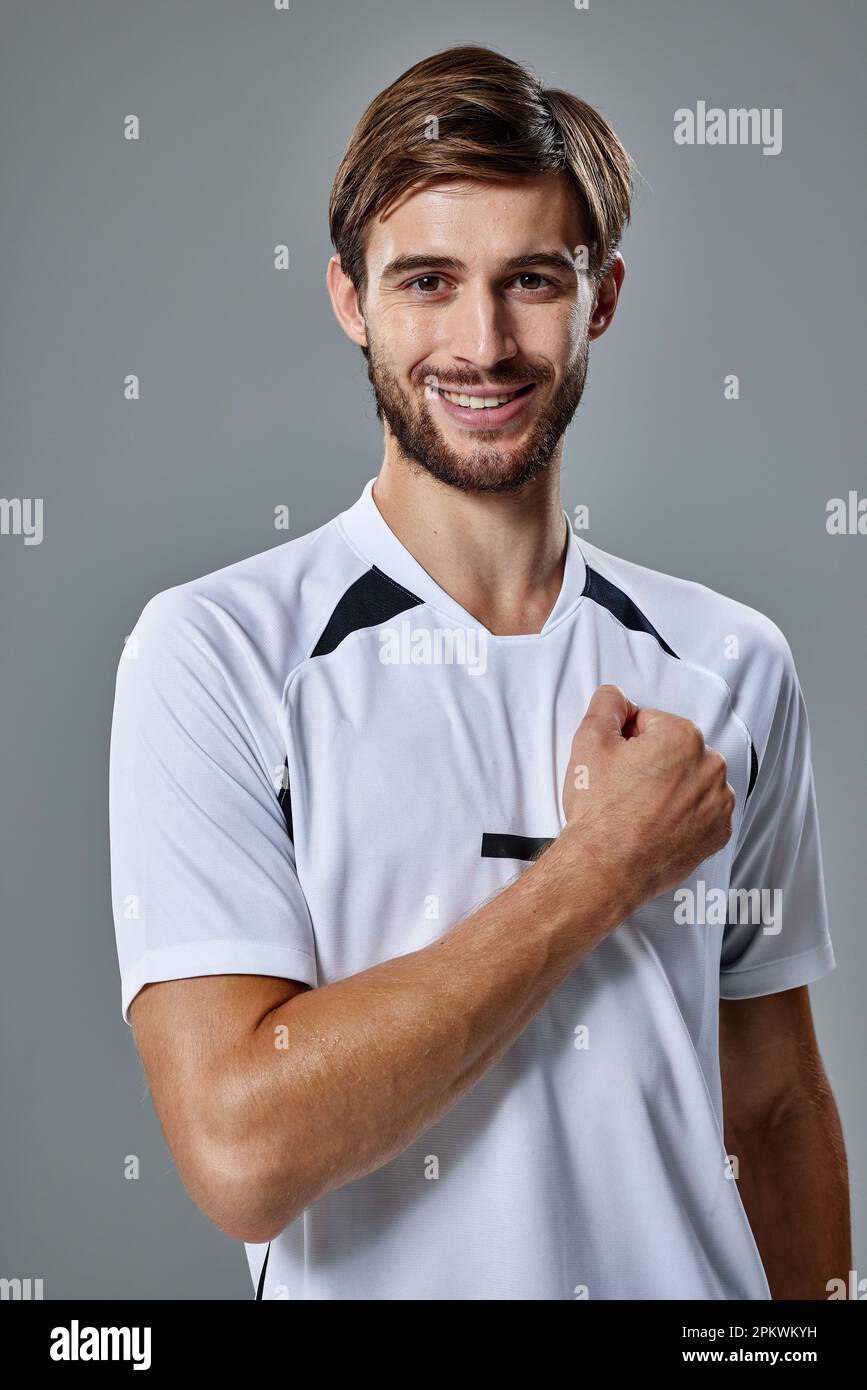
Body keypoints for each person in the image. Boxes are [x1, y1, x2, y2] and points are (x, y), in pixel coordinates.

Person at [109, 45, 849, 1300]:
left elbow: (774, 1105)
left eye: (531, 282)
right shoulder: (216, 652)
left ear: (602, 296)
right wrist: (601, 869)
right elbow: (242, 1148)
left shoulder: (731, 662)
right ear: (349, 298)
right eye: (428, 282)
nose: (483, 343)